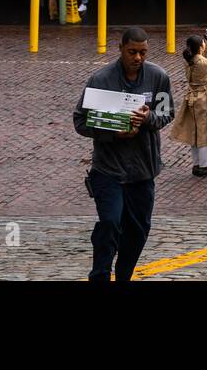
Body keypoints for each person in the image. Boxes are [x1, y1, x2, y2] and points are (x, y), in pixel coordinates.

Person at [72, 27, 175, 282]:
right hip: (108, 169)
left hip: (143, 170)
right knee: (110, 223)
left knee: (138, 230)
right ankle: (101, 274)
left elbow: (166, 112)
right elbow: (80, 121)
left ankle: (124, 275)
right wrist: (113, 132)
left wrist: (149, 117)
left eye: (143, 52)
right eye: (132, 52)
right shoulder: (100, 79)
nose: (138, 57)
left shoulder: (158, 76)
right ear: (120, 49)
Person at [169, 31, 207, 177]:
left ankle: (196, 165)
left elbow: (200, 57)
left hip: (192, 99)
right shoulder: (202, 62)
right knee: (205, 134)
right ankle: (203, 166)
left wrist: (206, 46)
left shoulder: (189, 60)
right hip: (204, 101)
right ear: (199, 48)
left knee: (195, 134)